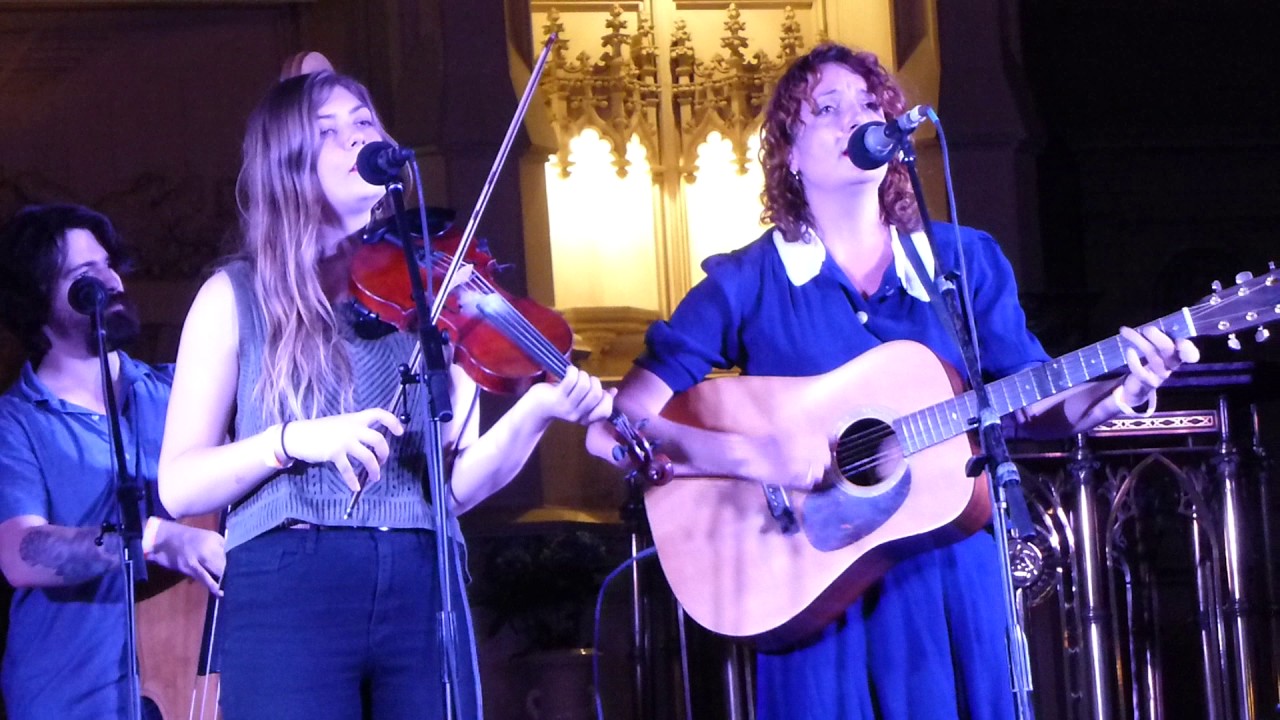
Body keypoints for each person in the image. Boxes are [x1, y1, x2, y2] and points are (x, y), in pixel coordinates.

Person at [587, 43, 1200, 719]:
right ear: (789, 153)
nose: (857, 117)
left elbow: (1032, 402)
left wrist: (1120, 392)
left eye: (869, 104)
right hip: (815, 597)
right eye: (827, 108)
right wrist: (754, 455)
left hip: (951, 584)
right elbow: (614, 428)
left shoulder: (963, 261)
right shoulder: (747, 281)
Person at [156, 68, 613, 719]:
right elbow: (178, 485)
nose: (355, 138)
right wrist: (293, 441)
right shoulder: (235, 296)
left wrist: (538, 410)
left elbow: (452, 487)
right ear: (286, 164)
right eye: (327, 131)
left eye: (363, 122)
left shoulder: (436, 295)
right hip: (292, 581)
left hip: (423, 577)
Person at [0, 203, 227, 718]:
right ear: (37, 299)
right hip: (71, 694)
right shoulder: (16, 422)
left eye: (109, 264)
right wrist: (151, 539)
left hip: (189, 686)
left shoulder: (180, 391)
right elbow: (19, 551)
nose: (113, 282)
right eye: (85, 276)